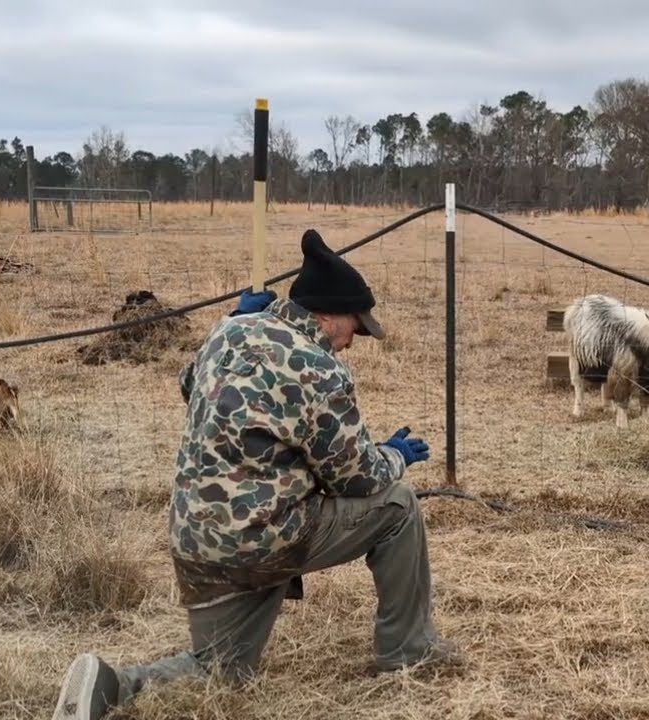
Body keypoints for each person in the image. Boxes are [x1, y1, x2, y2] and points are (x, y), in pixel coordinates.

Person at [51, 229, 458, 720]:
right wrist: (393, 454)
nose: (354, 340)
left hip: (198, 541)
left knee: (219, 673)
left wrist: (234, 318)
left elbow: (189, 384)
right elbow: (359, 480)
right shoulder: (319, 369)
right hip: (264, 539)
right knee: (398, 506)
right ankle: (409, 652)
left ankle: (111, 687)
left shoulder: (229, 332)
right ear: (327, 315)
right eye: (356, 326)